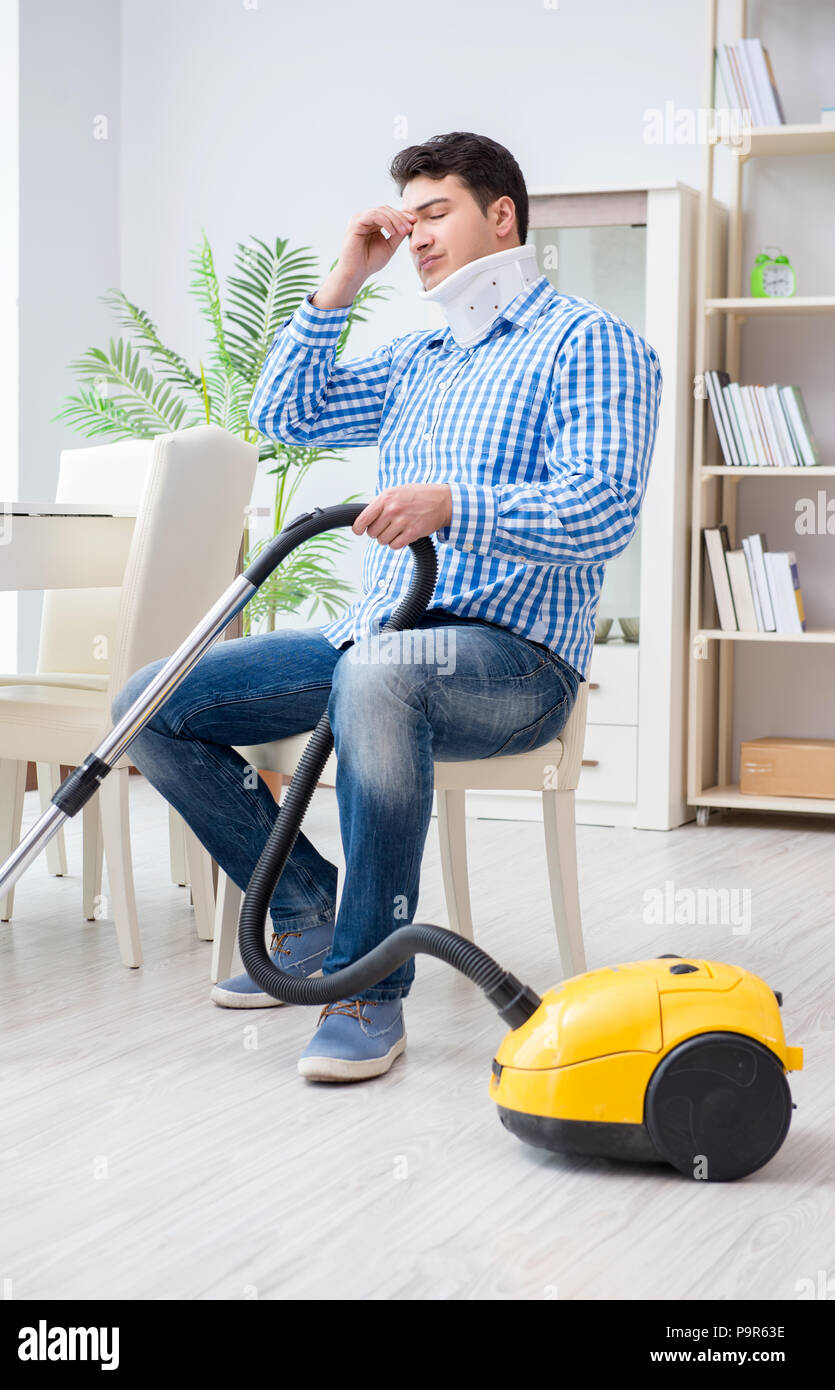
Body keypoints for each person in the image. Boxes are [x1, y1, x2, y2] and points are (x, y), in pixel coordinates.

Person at [110, 130, 662, 1083]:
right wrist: (341, 284)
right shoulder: (419, 359)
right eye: (406, 222)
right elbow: (287, 418)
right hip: (367, 640)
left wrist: (454, 505)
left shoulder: (593, 345)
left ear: (502, 217)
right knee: (148, 701)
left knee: (379, 674)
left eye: (436, 211)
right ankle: (310, 915)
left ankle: (369, 990)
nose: (417, 237)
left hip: (512, 661)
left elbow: (601, 513)